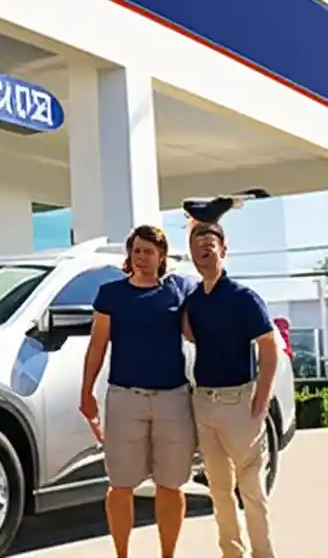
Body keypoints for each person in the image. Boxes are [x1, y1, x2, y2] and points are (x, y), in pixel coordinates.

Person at [80, 225, 196, 558]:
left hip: (172, 399)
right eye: (136, 250)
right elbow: (97, 346)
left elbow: (198, 326)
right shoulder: (112, 294)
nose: (141, 256)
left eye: (148, 251)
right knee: (120, 485)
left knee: (170, 484)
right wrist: (86, 393)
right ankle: (121, 554)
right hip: (125, 398)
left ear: (161, 257)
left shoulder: (178, 290)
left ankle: (168, 554)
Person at [184, 221, 280, 558]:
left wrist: (261, 402)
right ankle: (231, 553)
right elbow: (190, 336)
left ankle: (264, 553)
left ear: (224, 251)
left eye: (211, 244)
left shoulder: (244, 299)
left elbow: (270, 350)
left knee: (251, 489)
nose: (205, 250)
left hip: (240, 403)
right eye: (198, 245)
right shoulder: (193, 301)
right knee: (219, 490)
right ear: (192, 255)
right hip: (204, 403)